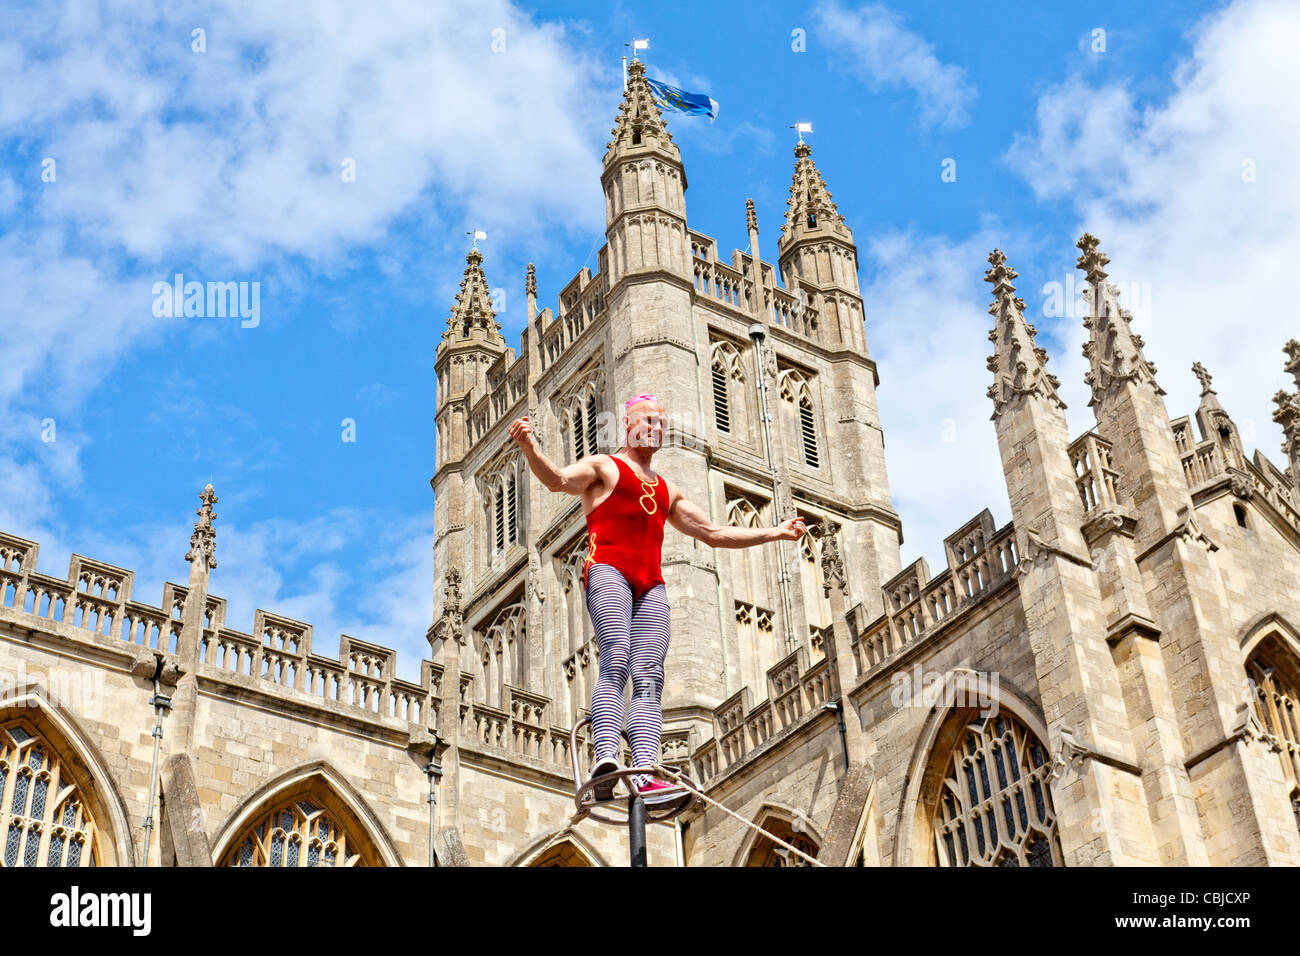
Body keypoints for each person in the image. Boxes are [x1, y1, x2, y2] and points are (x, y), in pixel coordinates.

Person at [508, 393, 806, 807]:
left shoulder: (668, 490)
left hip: (650, 584)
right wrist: (529, 448)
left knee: (649, 674)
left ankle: (646, 771)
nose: (656, 429)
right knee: (616, 656)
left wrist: (775, 532)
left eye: (662, 423)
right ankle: (607, 756)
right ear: (627, 425)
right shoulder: (604, 467)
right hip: (608, 569)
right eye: (648, 421)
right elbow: (557, 480)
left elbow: (714, 534)